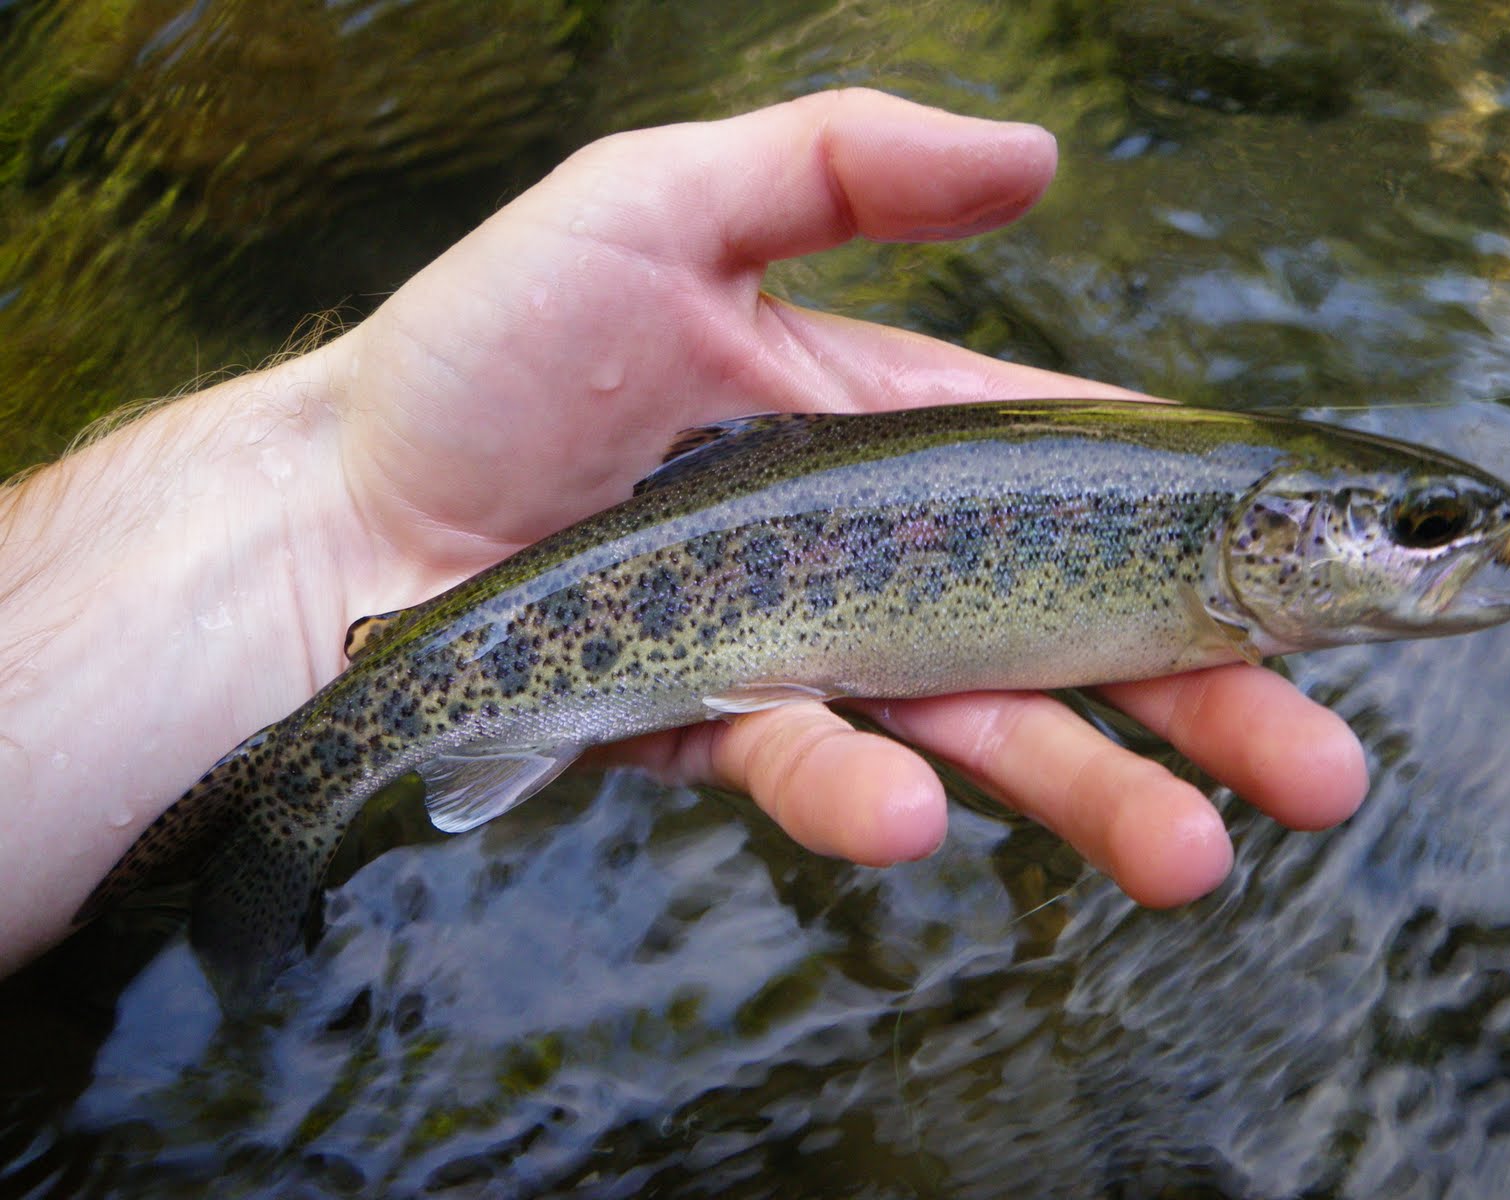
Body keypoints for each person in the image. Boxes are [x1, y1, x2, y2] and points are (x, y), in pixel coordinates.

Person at [0, 89, 1366, 978]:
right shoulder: (1203, 529)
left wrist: (315, 510)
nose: (1449, 554)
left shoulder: (1201, 519)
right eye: (1419, 529)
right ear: (1276, 531)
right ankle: (283, 807)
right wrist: (335, 494)